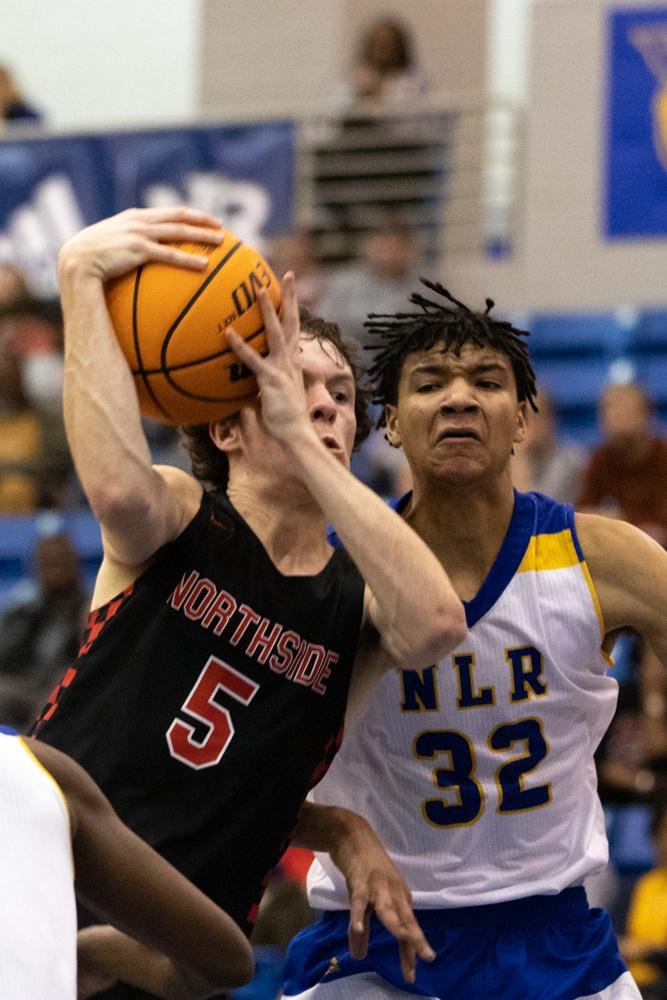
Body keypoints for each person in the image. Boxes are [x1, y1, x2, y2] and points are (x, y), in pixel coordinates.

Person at [32, 208, 466, 995]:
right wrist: (80, 282)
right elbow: (116, 489)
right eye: (293, 386)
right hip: (45, 885)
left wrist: (301, 435)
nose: (327, 404)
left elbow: (436, 624)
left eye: (340, 394)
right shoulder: (182, 515)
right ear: (228, 429)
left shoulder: (356, 606)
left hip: (180, 954)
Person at [281, 279, 667, 1000]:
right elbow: (239, 775)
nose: (458, 397)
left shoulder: (600, 557)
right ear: (389, 421)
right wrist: (335, 832)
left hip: (555, 944)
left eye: (487, 382)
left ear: (523, 419)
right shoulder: (323, 571)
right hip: (370, 942)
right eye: (429, 384)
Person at [0, 726, 253, 998]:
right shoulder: (38, 767)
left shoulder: (37, 768)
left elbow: (228, 963)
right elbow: (226, 963)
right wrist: (98, 953)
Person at [0, 514, 89, 730]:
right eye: (46, 560)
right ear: (34, 564)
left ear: (74, 562)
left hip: (53, 702)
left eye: (59, 560)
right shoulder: (20, 611)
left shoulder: (88, 612)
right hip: (14, 693)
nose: (52, 566)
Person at [620, 798, 667, 998]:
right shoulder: (641, 885)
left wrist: (643, 952)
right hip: (630, 983)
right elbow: (615, 938)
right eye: (663, 833)